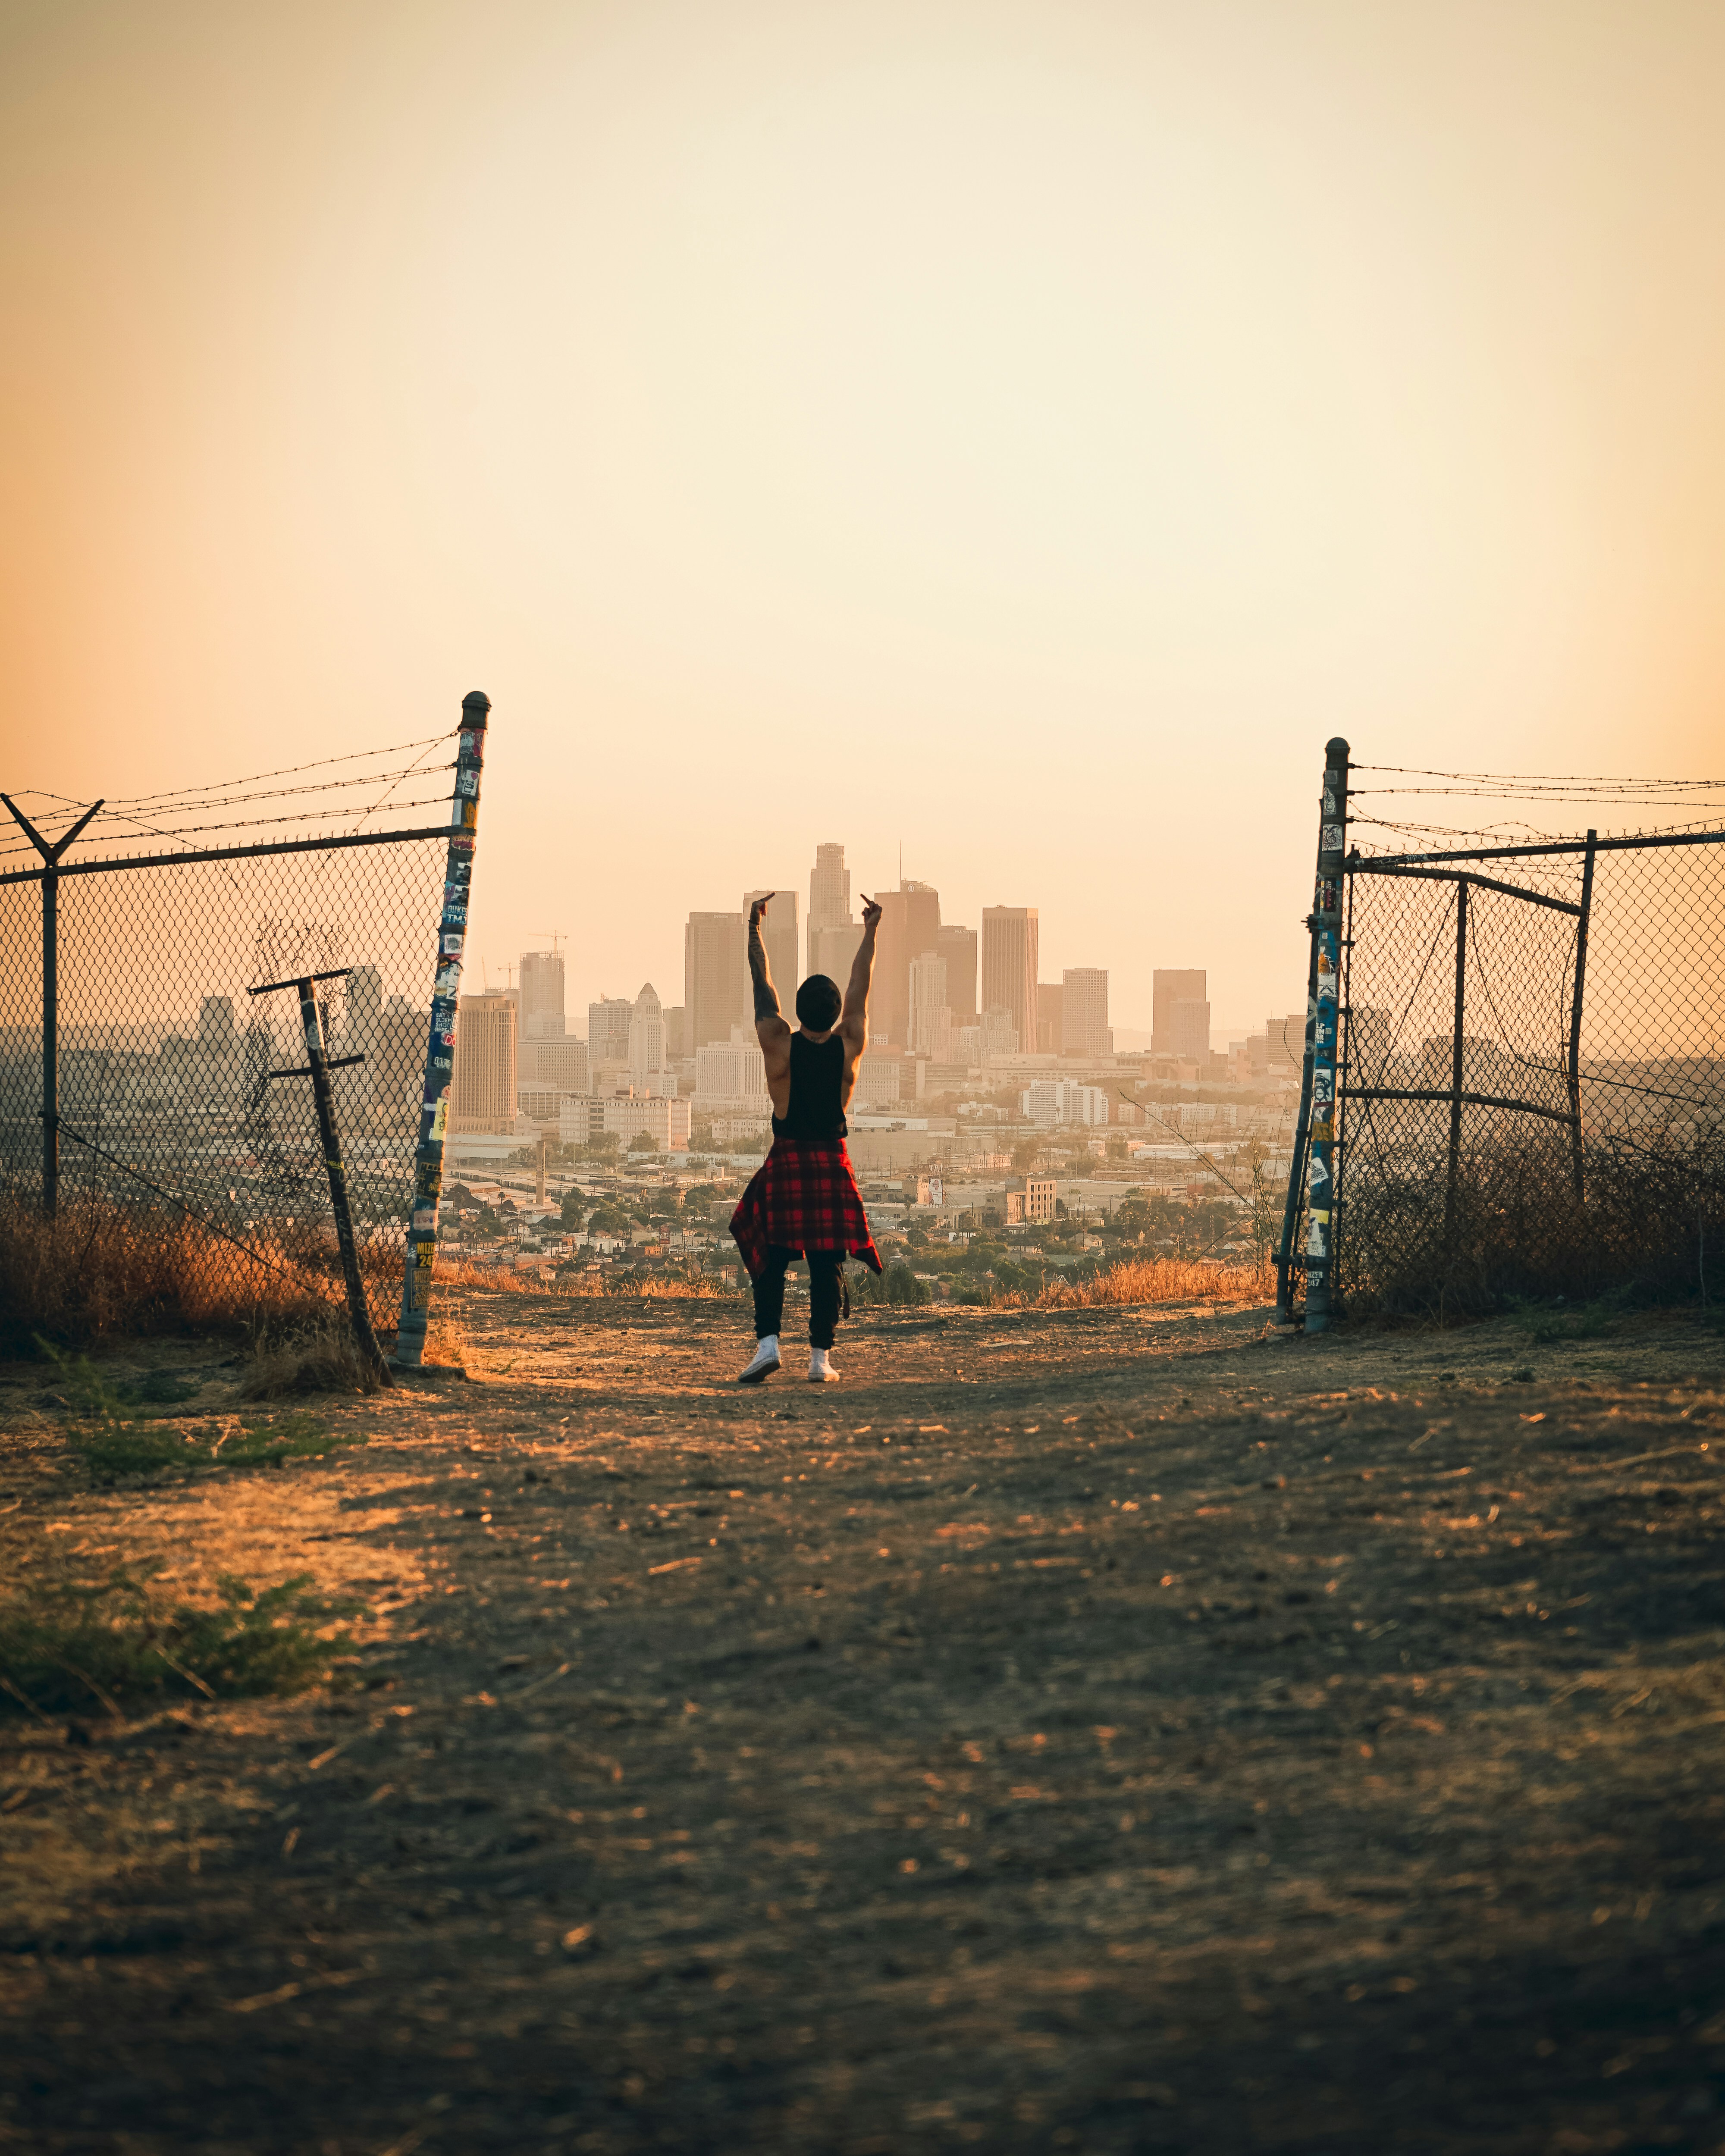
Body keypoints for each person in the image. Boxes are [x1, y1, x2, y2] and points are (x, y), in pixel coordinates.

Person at [729, 889, 884, 1382]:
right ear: (835, 1013)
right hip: (830, 1161)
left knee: (772, 1257)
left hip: (787, 1159)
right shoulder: (850, 1043)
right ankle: (821, 1359)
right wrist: (871, 930)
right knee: (826, 1261)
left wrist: (754, 928)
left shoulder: (777, 1041)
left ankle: (768, 1345)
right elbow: (860, 985)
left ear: (796, 1011)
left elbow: (762, 984)